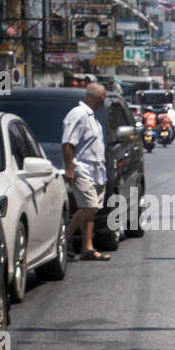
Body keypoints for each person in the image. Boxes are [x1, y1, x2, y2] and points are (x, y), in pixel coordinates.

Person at [61, 82, 110, 262]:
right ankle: (64, 238)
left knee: (90, 211)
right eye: (102, 97)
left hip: (96, 170)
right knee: (90, 206)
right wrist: (69, 169)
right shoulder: (79, 114)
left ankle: (87, 247)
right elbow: (67, 142)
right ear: (96, 98)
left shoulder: (93, 116)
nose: (104, 101)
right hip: (81, 168)